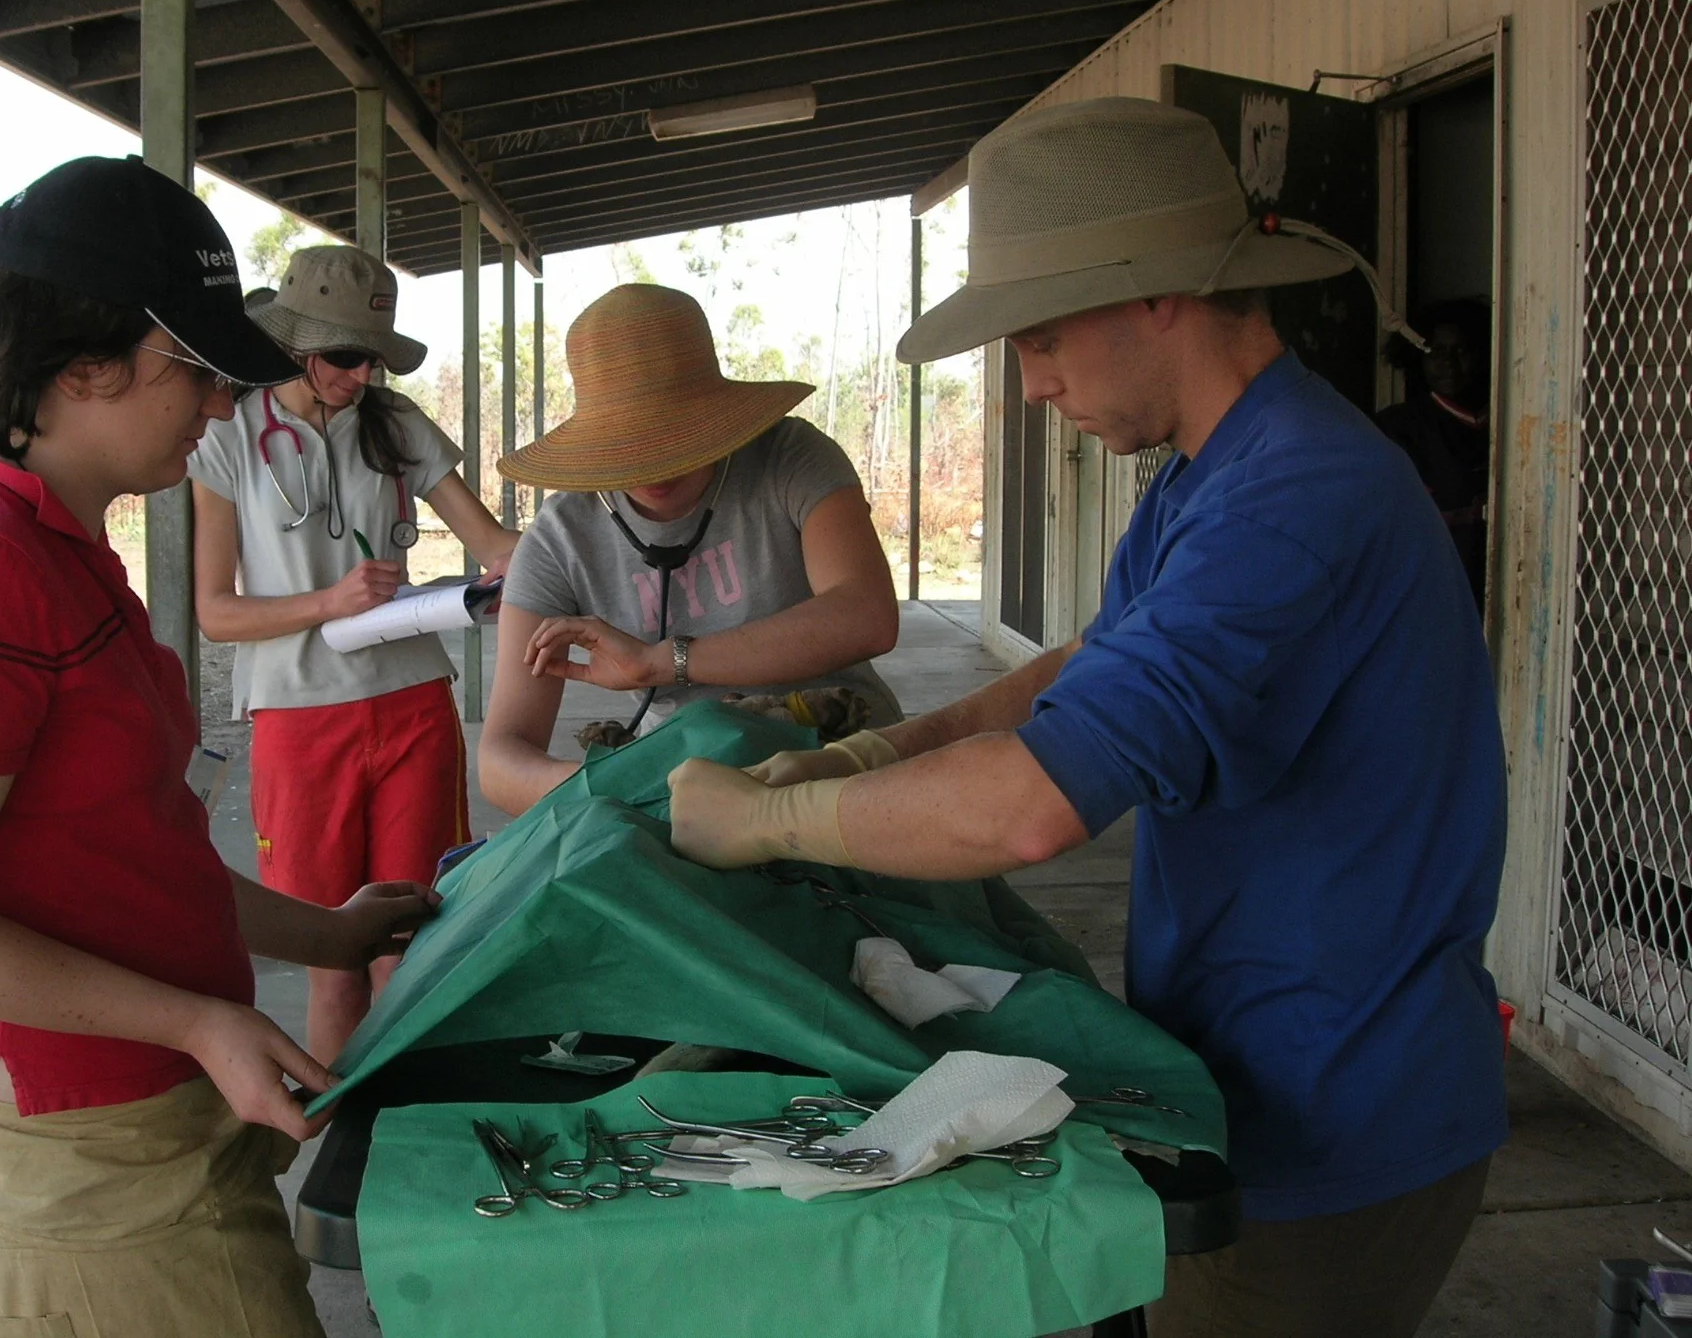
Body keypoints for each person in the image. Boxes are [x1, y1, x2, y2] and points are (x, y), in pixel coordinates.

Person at [667, 99, 1508, 1338]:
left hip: (1337, 1102)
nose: (1030, 381)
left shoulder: (1292, 496)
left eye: (1042, 335)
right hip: (1240, 1057)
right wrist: (880, 748)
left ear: (1158, 292)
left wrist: (775, 818)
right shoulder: (1211, 476)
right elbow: (1081, 666)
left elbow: (1029, 810)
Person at [0, 158, 436, 1338]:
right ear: (85, 365)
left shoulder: (62, 552)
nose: (220, 408)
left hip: (132, 1096)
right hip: (73, 1138)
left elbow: (122, 854)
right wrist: (200, 1022)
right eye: (198, 374)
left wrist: (329, 931)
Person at [188, 243, 516, 1060]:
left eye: (372, 358)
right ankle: (343, 1143)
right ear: (293, 346)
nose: (362, 377)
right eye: (343, 358)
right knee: (332, 953)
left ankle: (409, 1131)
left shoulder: (398, 425)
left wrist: (549, 563)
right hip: (300, 719)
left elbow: (492, 543)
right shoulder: (229, 434)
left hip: (412, 711)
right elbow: (215, 613)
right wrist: (328, 604)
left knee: (412, 945)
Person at [479, 283, 902, 816]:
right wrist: (636, 785)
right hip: (680, 777)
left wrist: (660, 663)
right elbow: (501, 758)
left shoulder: (792, 459)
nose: (657, 468)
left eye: (677, 439)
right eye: (630, 447)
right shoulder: (561, 539)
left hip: (843, 756)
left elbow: (865, 615)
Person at [1375, 298, 1493, 612]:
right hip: (1430, 594)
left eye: (1461, 351)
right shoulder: (1397, 427)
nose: (1448, 364)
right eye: (1436, 352)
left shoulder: (1504, 422)